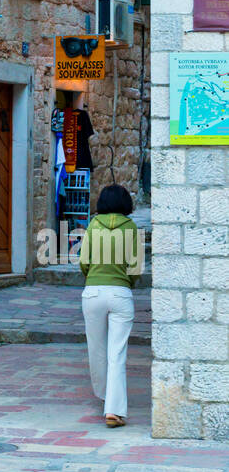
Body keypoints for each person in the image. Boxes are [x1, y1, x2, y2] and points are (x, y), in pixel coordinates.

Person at [78, 183, 143, 429]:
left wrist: (94, 275)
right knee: (118, 353)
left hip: (93, 293)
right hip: (121, 294)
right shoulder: (132, 228)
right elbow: (135, 268)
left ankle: (105, 397)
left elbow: (84, 262)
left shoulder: (93, 226)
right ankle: (113, 410)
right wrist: (126, 282)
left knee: (96, 350)